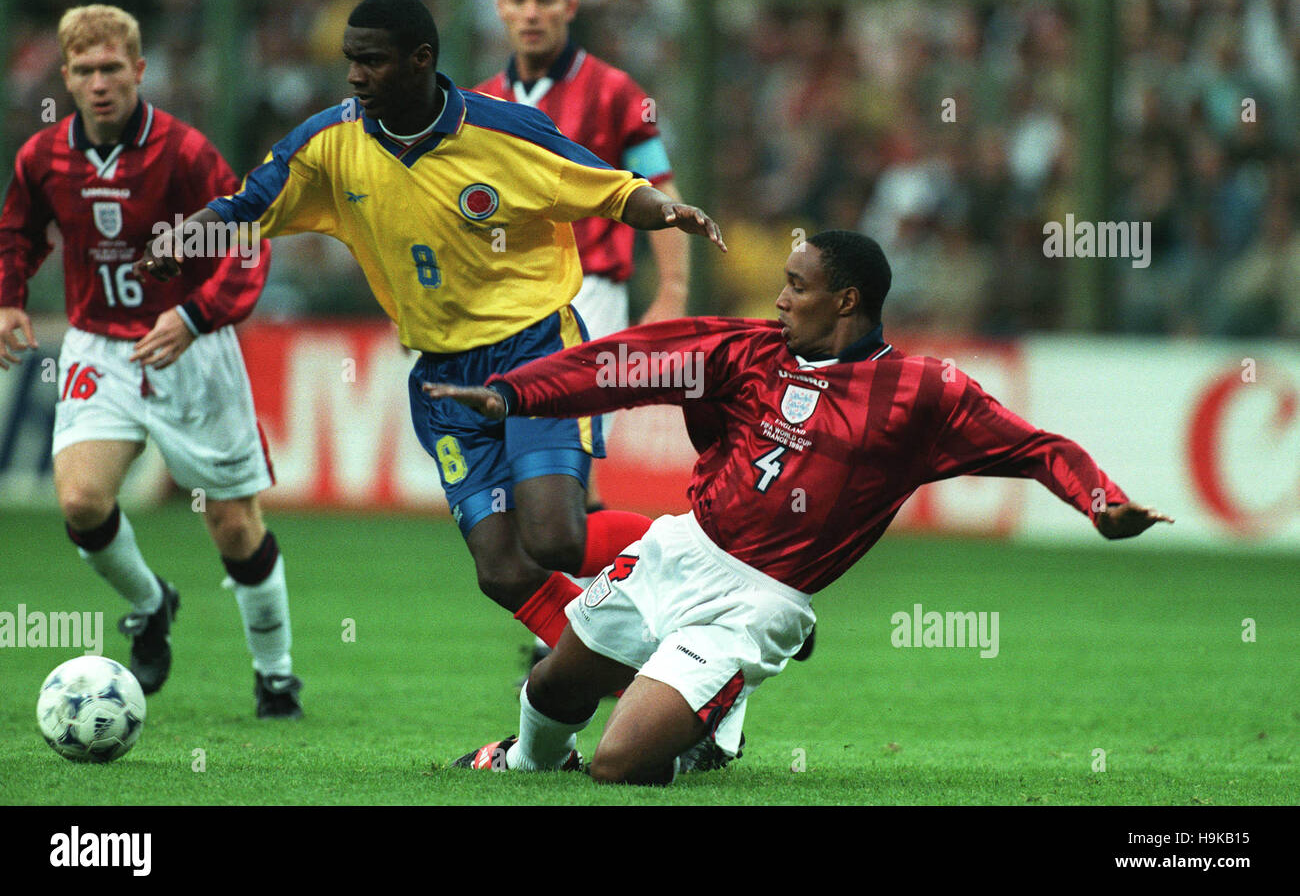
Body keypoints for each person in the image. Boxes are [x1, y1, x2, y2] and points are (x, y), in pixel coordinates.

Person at [133, 0, 726, 692]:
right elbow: (245, 206)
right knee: (502, 571)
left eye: (372, 60)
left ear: (421, 60)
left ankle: (704, 557)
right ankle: (636, 680)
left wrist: (668, 212)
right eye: (351, 60)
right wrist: (185, 237)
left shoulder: (506, 133)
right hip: (443, 378)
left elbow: (609, 188)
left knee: (556, 538)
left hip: (535, 352)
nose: (355, 76)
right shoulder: (329, 145)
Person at [426, 230, 1174, 784]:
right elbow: (627, 366)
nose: (779, 297)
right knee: (555, 686)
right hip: (680, 549)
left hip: (758, 601)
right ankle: (525, 761)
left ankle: (711, 718)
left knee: (620, 766)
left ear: (845, 300)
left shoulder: (926, 394)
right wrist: (517, 392)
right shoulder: (749, 351)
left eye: (796, 285)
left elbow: (1038, 447)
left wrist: (1101, 501)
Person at [0, 5, 303, 718]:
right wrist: (10, 299)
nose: (100, 83)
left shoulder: (186, 152)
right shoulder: (42, 156)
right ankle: (150, 602)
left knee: (232, 524)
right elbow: (17, 229)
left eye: (113, 69)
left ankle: (277, 673)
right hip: (100, 346)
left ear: (139, 71)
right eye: (84, 71)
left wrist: (196, 316)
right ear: (66, 78)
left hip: (190, 349)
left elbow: (247, 240)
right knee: (80, 501)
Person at [475, 0, 689, 512]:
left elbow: (659, 192)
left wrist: (672, 291)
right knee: (526, 483)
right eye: (518, 0)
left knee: (562, 473)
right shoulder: (479, 104)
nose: (531, 12)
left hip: (586, 294)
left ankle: (630, 587)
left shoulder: (619, 94)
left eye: (544, 0)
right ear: (499, 7)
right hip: (503, 300)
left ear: (570, 7)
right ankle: (614, 593)